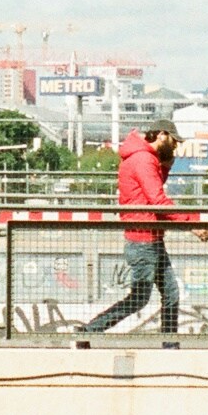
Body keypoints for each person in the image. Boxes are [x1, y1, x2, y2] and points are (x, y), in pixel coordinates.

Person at [78, 123, 195, 343]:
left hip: (151, 238)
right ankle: (88, 331)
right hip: (143, 241)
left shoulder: (143, 158)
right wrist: (193, 224)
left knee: (171, 294)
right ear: (162, 135)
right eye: (174, 141)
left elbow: (150, 190)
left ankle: (170, 343)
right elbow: (157, 199)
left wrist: (166, 166)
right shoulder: (143, 159)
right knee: (139, 299)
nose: (176, 147)